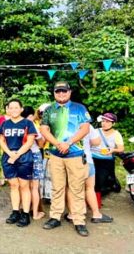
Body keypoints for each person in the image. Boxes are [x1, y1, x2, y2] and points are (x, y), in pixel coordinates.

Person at [40, 81, 92, 236]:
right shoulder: (49, 110)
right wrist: (57, 143)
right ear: (54, 93)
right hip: (56, 155)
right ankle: (55, 217)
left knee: (77, 188)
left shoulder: (79, 108)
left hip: (75, 154)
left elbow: (85, 128)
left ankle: (79, 220)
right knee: (57, 187)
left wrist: (68, 143)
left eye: (64, 91)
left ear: (69, 92)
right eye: (58, 92)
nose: (61, 94)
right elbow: (44, 129)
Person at [0, 99, 37, 227]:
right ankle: (15, 211)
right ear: (8, 110)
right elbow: (2, 141)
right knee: (13, 185)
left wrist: (16, 155)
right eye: (11, 107)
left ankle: (25, 213)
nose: (14, 110)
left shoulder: (28, 123)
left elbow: (29, 142)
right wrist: (10, 154)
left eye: (16, 107)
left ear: (21, 109)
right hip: (8, 157)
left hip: (24, 157)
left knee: (24, 186)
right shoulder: (4, 124)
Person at [90, 113, 124, 197]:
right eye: (103, 121)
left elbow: (121, 149)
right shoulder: (96, 131)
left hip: (106, 160)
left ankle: (110, 184)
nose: (104, 123)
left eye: (108, 122)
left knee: (100, 181)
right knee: (91, 180)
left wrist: (113, 150)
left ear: (113, 123)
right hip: (92, 158)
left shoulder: (116, 134)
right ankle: (94, 199)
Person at [27, 105, 48, 220]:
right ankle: (35, 213)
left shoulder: (16, 124)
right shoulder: (33, 125)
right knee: (35, 187)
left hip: (20, 156)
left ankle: (24, 209)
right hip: (35, 155)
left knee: (23, 186)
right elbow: (41, 144)